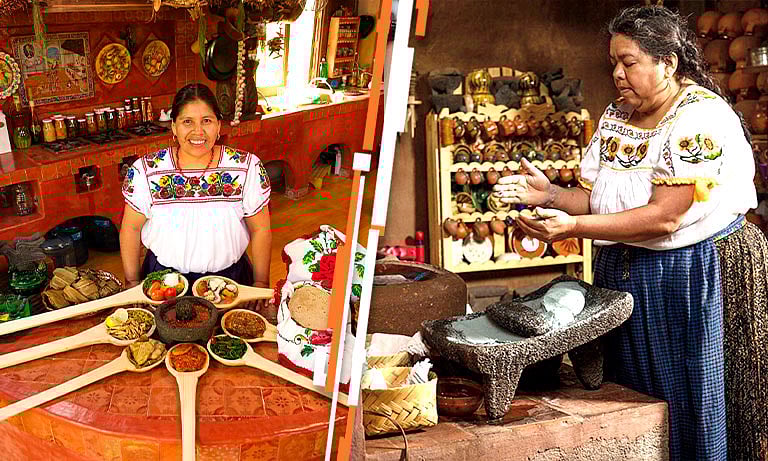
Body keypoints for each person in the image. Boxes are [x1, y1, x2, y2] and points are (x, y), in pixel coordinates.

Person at [493, 6, 768, 461]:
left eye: (629, 62)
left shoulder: (698, 119)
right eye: (614, 63)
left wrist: (574, 228)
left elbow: (664, 217)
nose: (618, 74)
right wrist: (551, 197)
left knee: (686, 400)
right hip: (625, 272)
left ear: (668, 63)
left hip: (688, 274)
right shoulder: (618, 115)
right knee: (632, 397)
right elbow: (597, 198)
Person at [120, 83, 272, 292]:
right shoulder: (146, 171)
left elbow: (261, 229)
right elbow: (131, 228)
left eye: (207, 121)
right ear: (174, 127)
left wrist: (261, 284)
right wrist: (132, 283)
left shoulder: (245, 168)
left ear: (219, 126)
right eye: (187, 122)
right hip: (163, 284)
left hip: (231, 282)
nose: (198, 131)